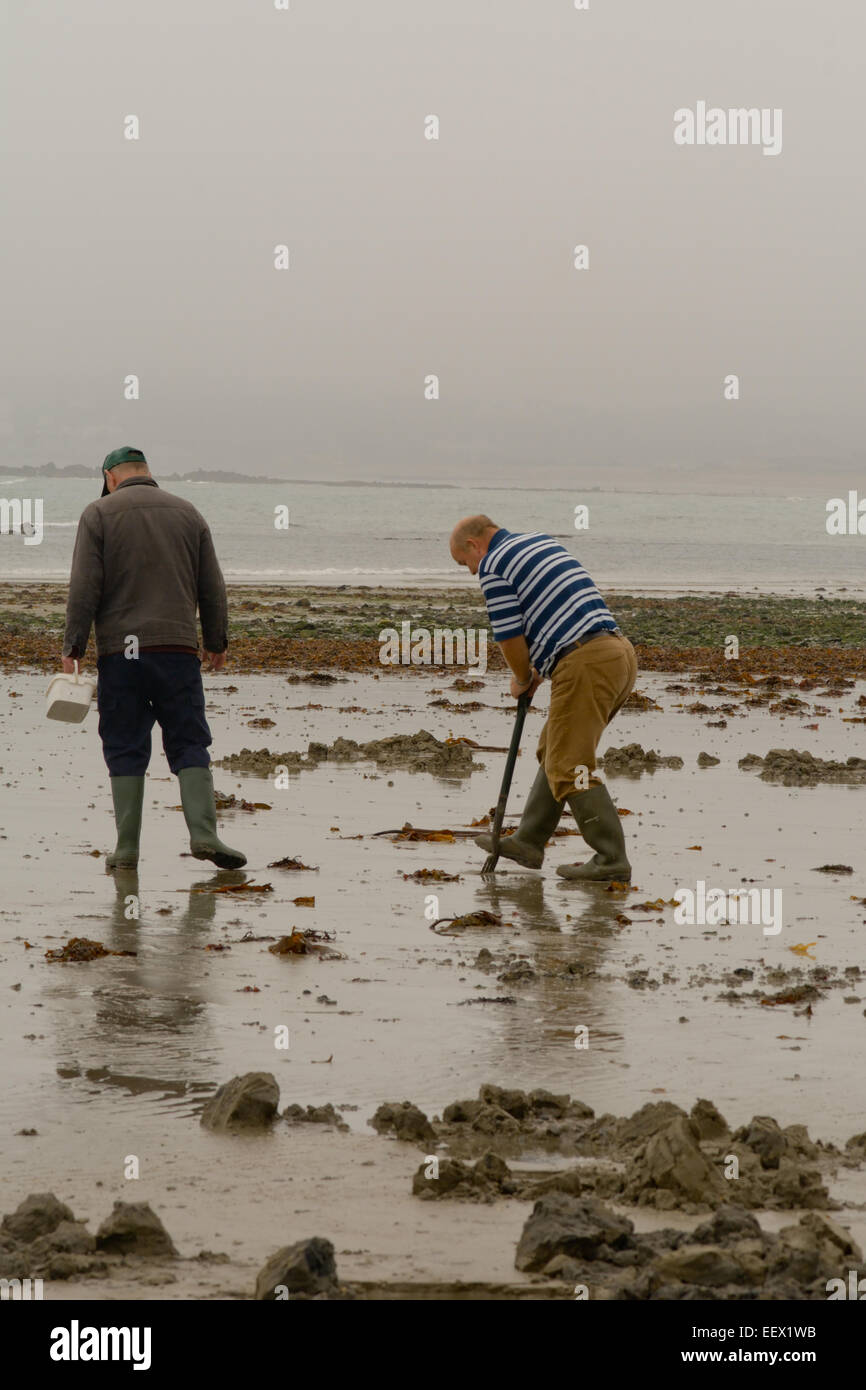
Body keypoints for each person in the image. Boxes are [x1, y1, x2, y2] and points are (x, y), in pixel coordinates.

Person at [61, 446, 245, 872]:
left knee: (124, 743)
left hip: (121, 654)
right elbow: (211, 585)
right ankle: (204, 834)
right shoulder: (187, 513)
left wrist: (72, 647)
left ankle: (126, 849)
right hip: (177, 649)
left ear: (110, 477)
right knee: (188, 739)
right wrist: (216, 640)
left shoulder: (98, 514)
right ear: (146, 472)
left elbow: (84, 586)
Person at [449, 515, 637, 881]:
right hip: (617, 654)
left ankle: (611, 858)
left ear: (474, 545)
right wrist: (538, 670)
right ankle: (529, 840)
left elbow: (509, 634)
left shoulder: (493, 564)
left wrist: (522, 678)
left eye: (464, 563)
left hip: (586, 661)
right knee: (554, 752)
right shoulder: (538, 542)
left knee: (570, 765)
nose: (471, 572)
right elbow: (557, 610)